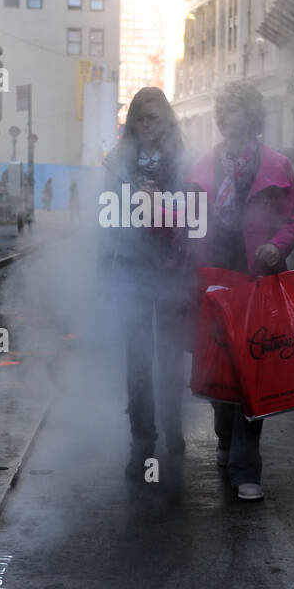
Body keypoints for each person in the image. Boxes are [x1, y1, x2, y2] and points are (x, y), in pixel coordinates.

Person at [185, 81, 294, 501]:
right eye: (220, 109)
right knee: (221, 366)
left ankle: (246, 466)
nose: (222, 117)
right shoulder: (203, 165)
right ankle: (223, 435)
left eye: (231, 109)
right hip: (214, 277)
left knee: (253, 368)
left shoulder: (277, 165)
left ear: (250, 115)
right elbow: (189, 219)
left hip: (257, 276)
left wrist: (277, 246)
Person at [101, 86, 192, 485]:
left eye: (152, 118)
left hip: (171, 268)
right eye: (140, 119)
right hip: (132, 269)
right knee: (137, 359)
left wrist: (163, 205)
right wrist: (131, 202)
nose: (146, 126)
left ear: (165, 120)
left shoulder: (184, 161)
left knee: (171, 357)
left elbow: (195, 213)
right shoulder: (117, 162)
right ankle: (142, 441)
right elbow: (105, 218)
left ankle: (173, 426)